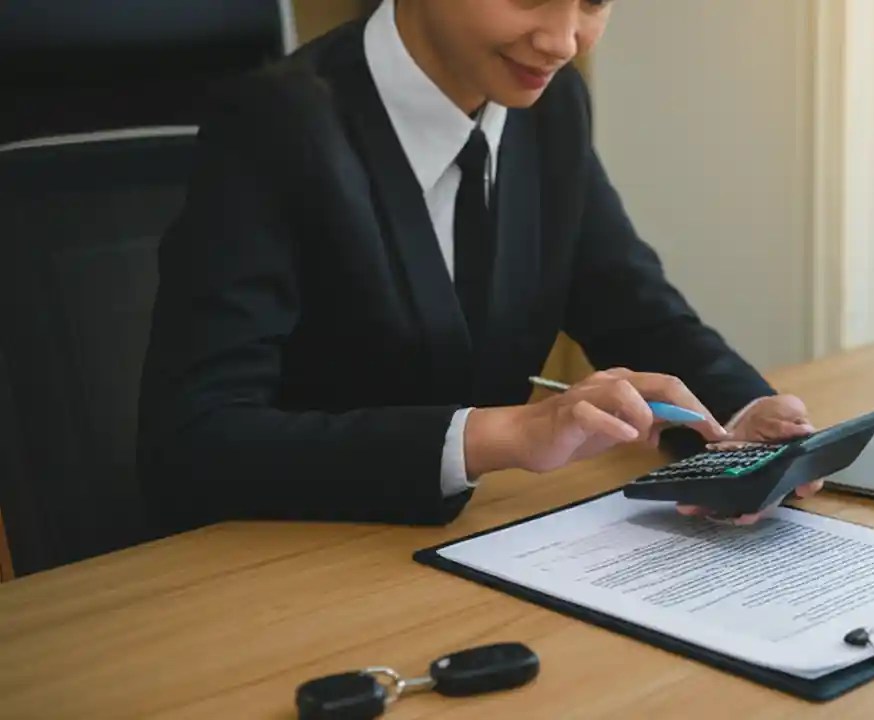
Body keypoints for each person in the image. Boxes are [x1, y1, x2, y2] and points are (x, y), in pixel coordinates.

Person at [136, 0, 822, 538]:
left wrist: (741, 418)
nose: (563, 40)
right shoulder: (272, 124)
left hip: (469, 551)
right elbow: (195, 442)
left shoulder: (550, 107)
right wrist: (508, 435)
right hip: (285, 565)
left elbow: (634, 307)